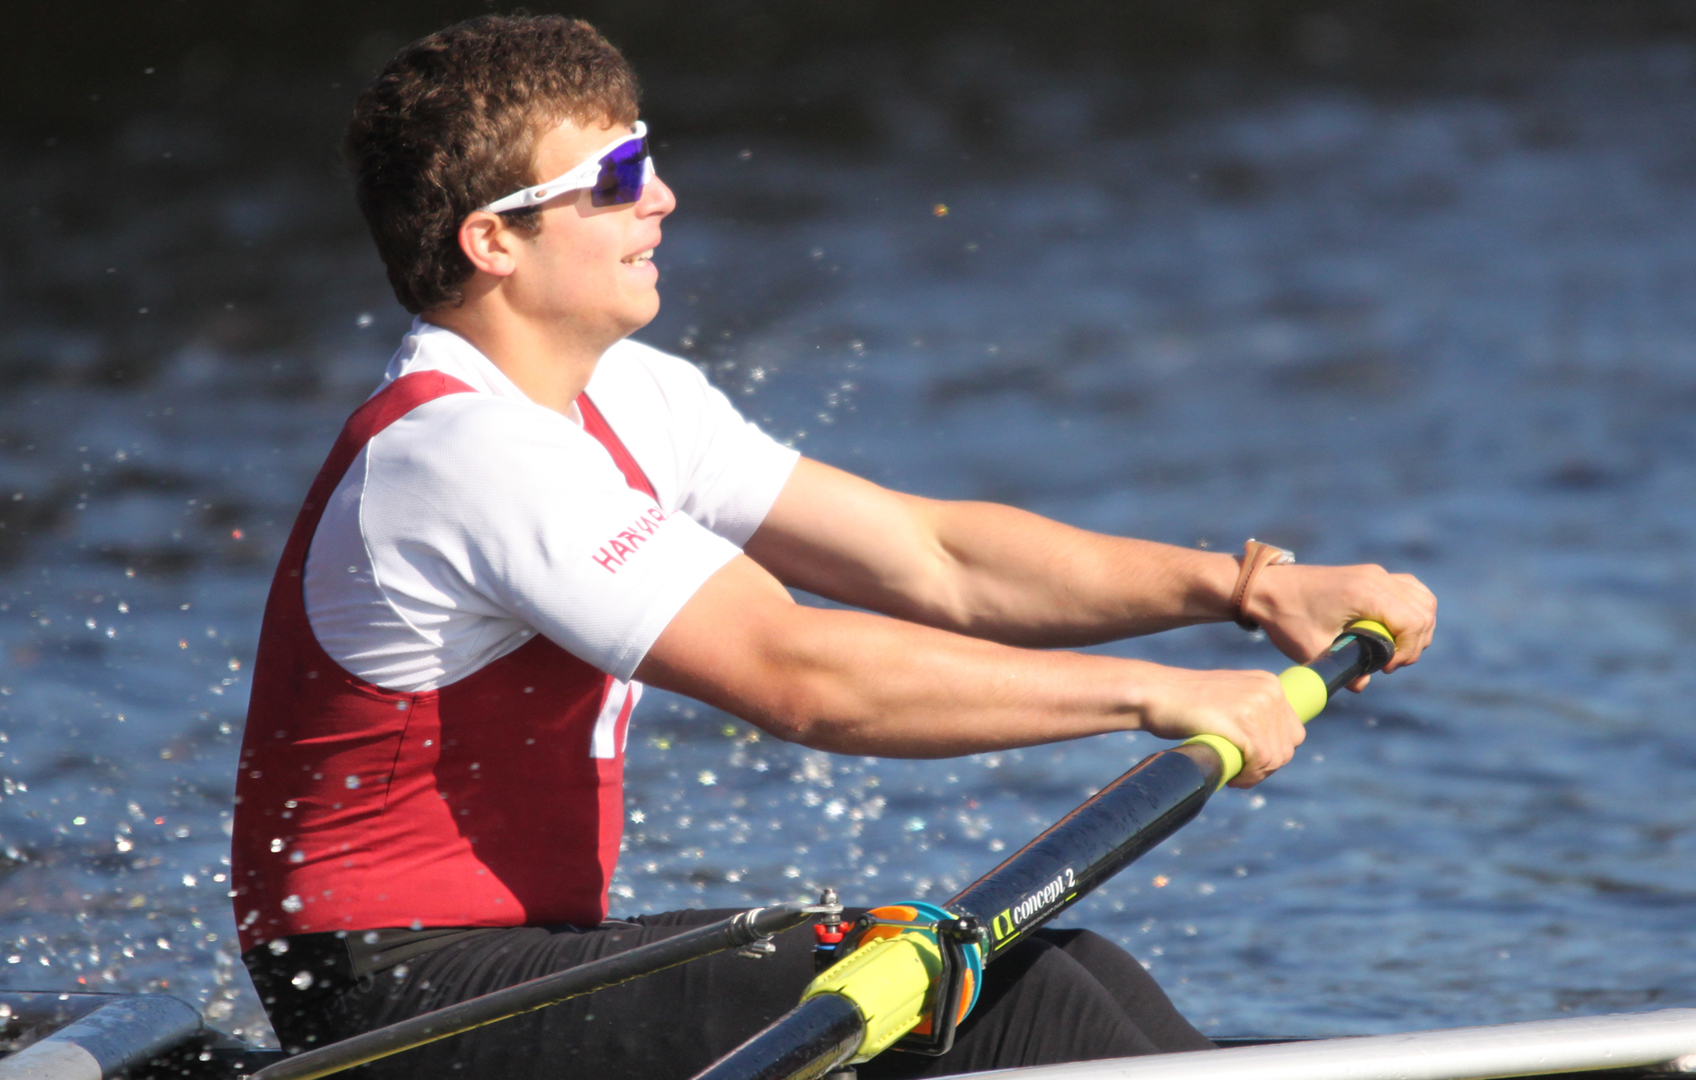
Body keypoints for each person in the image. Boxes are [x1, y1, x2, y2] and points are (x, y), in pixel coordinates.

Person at [231, 14, 1437, 1079]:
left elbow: (931, 558)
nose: (664, 198)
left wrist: (1247, 589)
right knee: (1027, 998)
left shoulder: (629, 398)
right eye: (620, 175)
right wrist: (1157, 696)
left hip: (517, 963)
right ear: (494, 241)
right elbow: (798, 677)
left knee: (1077, 975)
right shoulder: (463, 453)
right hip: (387, 1004)